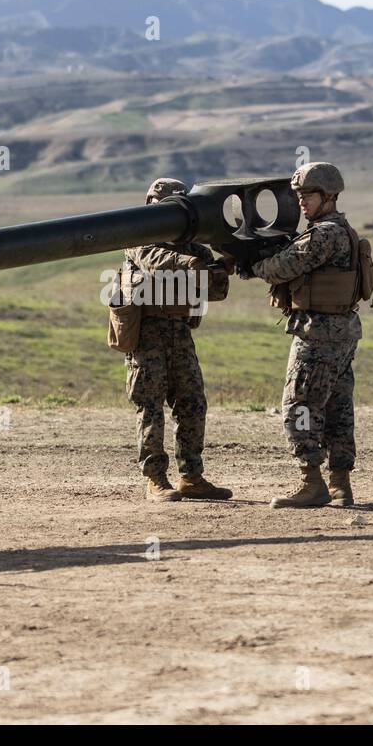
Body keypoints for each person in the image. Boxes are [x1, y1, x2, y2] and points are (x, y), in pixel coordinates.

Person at [249, 162, 362, 508]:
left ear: (328, 196)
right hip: (341, 333)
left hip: (318, 335)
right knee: (336, 406)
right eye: (298, 195)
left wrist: (252, 265)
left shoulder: (325, 233)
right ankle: (340, 485)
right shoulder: (340, 230)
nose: (301, 202)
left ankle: (311, 483)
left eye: (307, 195)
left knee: (299, 406)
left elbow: (285, 267)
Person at [123, 178, 233, 503]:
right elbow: (154, 262)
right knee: (150, 407)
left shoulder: (195, 248)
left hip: (180, 334)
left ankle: (192, 476)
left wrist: (220, 266)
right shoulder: (135, 238)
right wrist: (193, 267)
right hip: (147, 336)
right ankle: (155, 479)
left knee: (193, 404)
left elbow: (217, 289)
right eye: (161, 206)